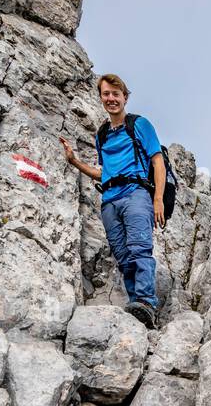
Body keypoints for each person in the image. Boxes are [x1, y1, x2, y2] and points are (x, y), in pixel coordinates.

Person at [59, 73, 165, 328]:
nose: (111, 99)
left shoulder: (140, 125)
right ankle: (136, 306)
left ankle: (146, 304)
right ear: (101, 99)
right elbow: (104, 171)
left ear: (125, 97)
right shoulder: (103, 134)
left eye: (115, 94)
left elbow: (157, 161)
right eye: (106, 94)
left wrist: (158, 199)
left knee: (140, 249)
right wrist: (75, 161)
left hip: (136, 195)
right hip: (109, 200)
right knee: (123, 256)